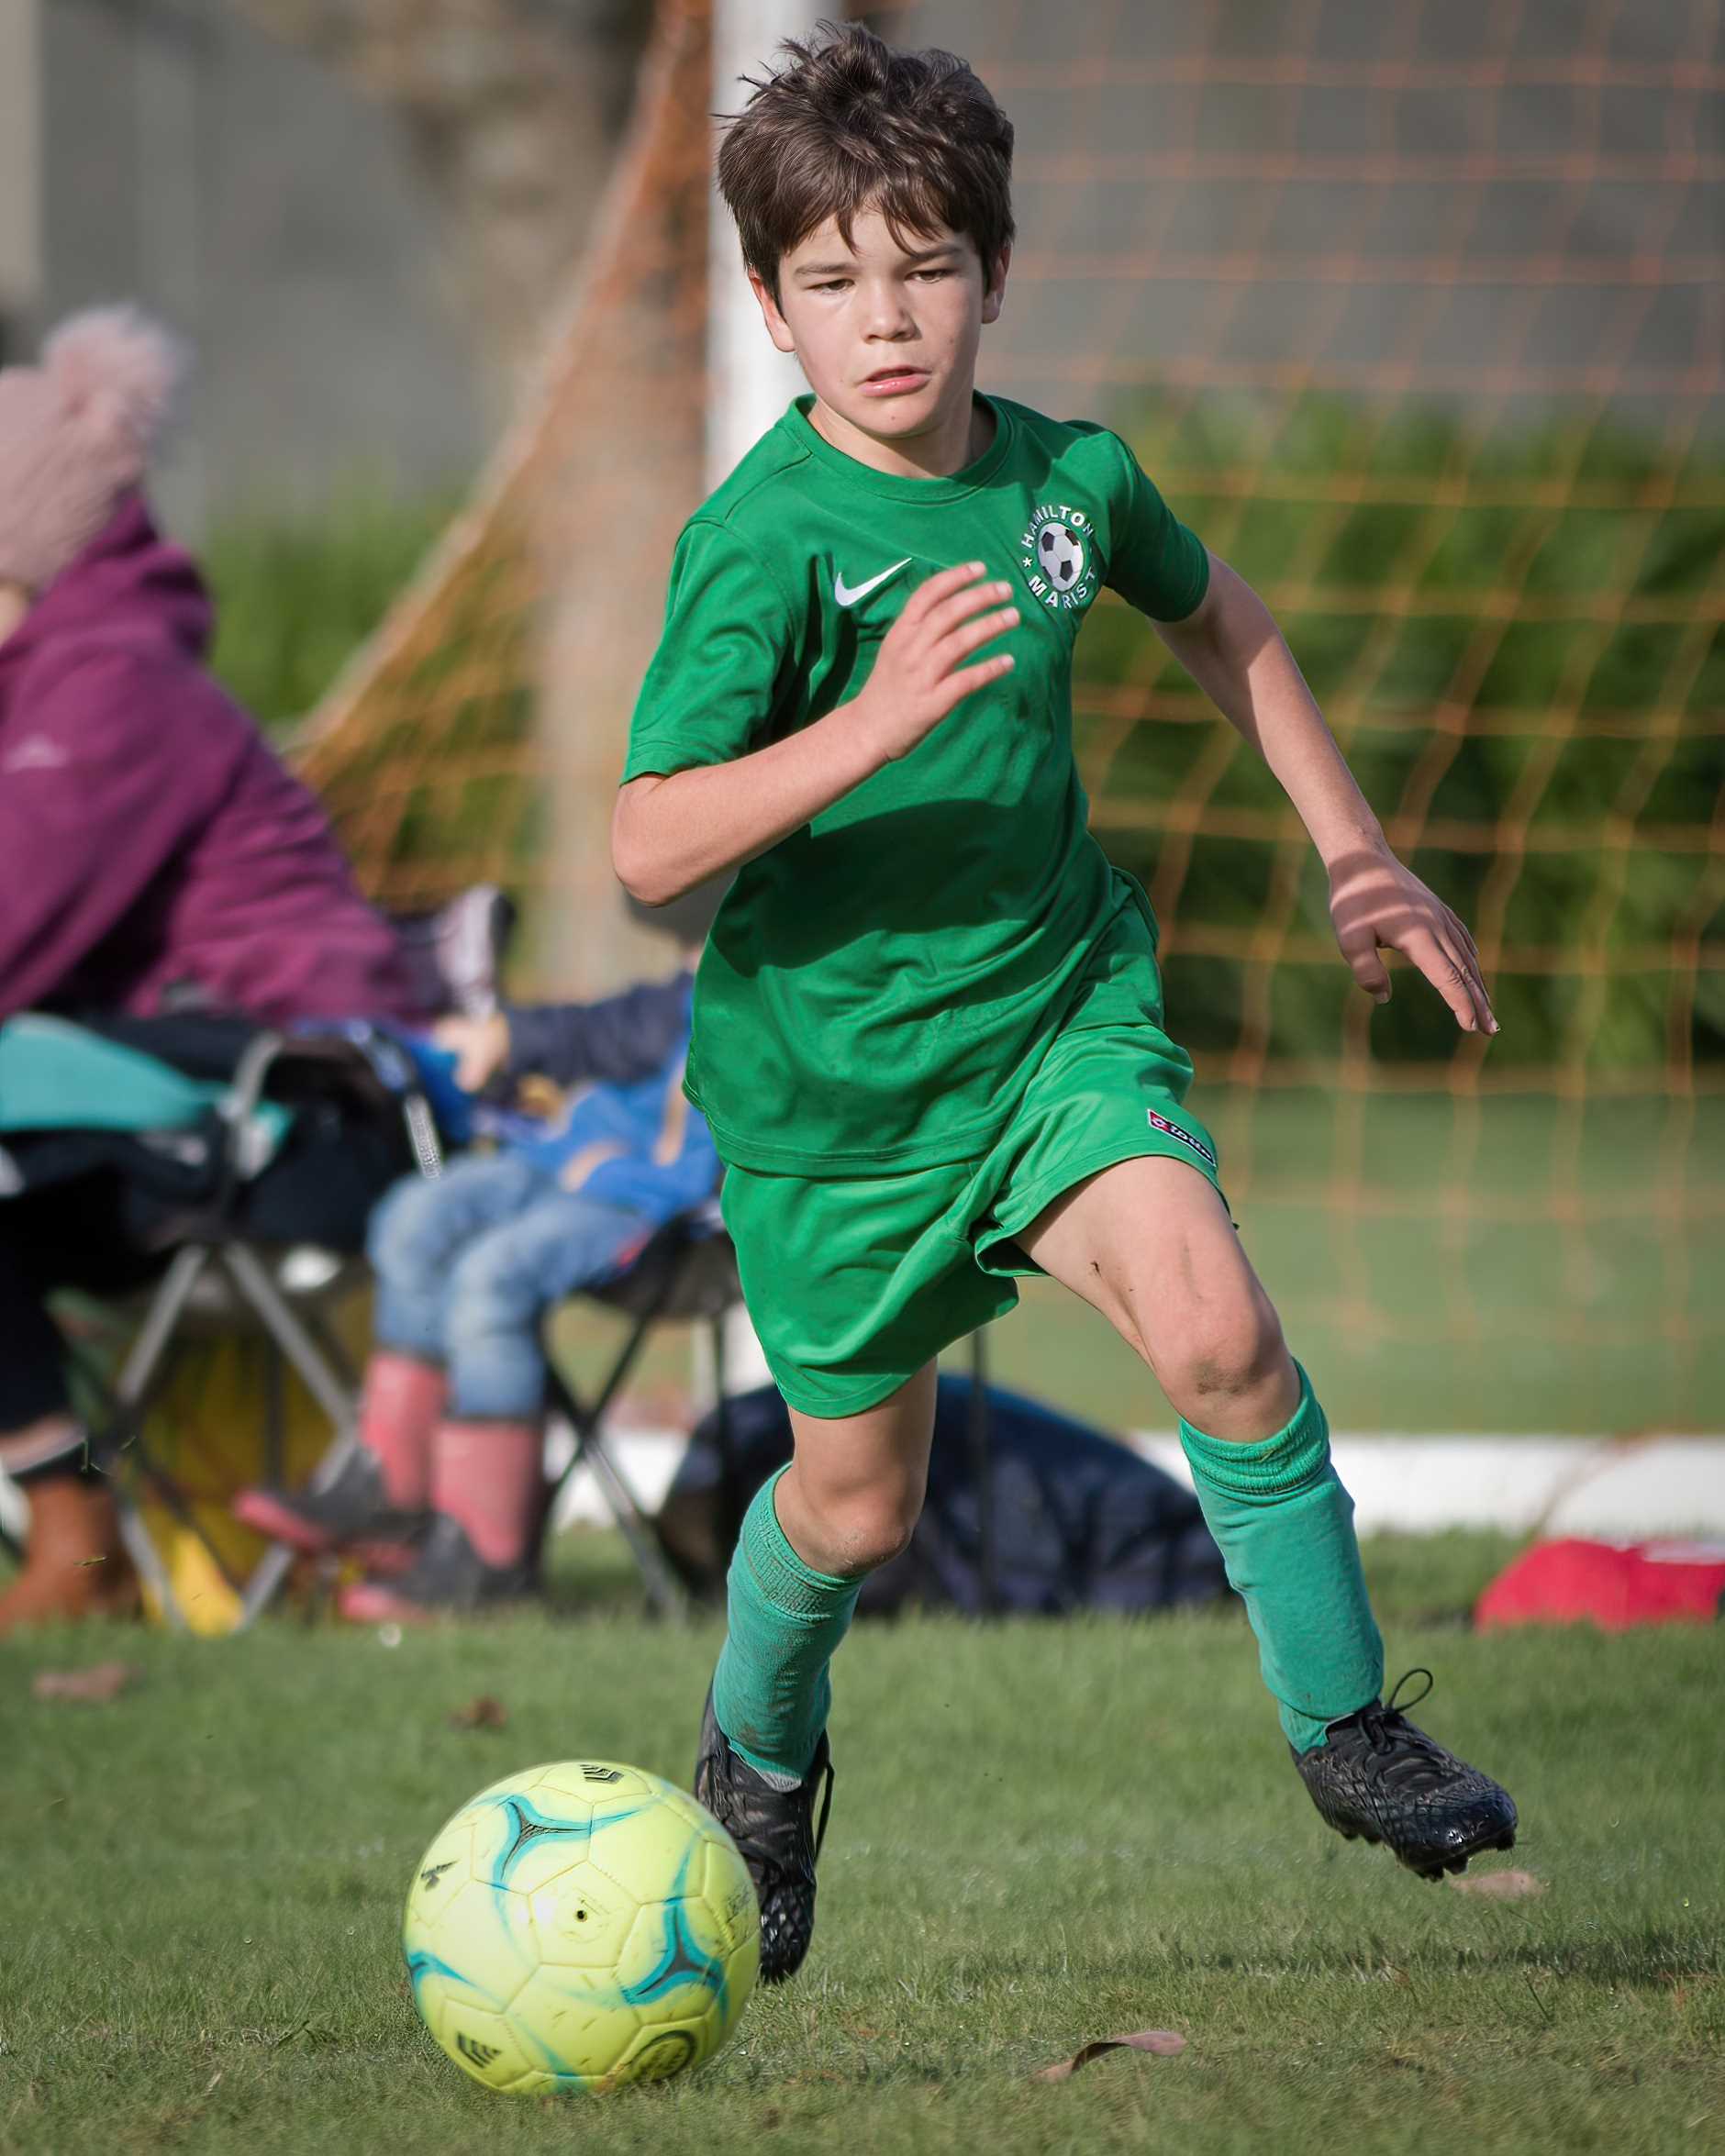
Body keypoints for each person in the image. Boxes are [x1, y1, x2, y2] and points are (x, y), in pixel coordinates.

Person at [611, 25, 1517, 1984]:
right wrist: (856, 731)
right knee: (857, 1506)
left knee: (1219, 1330)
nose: (888, 319)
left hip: (1051, 1022)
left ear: (995, 274)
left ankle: (1345, 1720)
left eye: (925, 267)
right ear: (767, 308)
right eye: (835, 281)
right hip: (835, 1098)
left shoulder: (1066, 477)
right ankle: (757, 1765)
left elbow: (1222, 619)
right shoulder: (758, 546)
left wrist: (1353, 845)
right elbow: (647, 844)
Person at [0, 306, 427, 1632]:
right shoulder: (61, 683)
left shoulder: (111, 691)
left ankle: (74, 1536)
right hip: (177, 1104)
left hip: (307, 1117)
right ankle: (71, 1520)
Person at [233, 952, 717, 1618]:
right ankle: (392, 1498)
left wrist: (616, 1172)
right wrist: (514, 1036)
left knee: (492, 1276)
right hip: (580, 1157)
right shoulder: (728, 946)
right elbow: (628, 1027)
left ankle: (489, 1561)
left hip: (665, 1207)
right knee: (413, 1218)